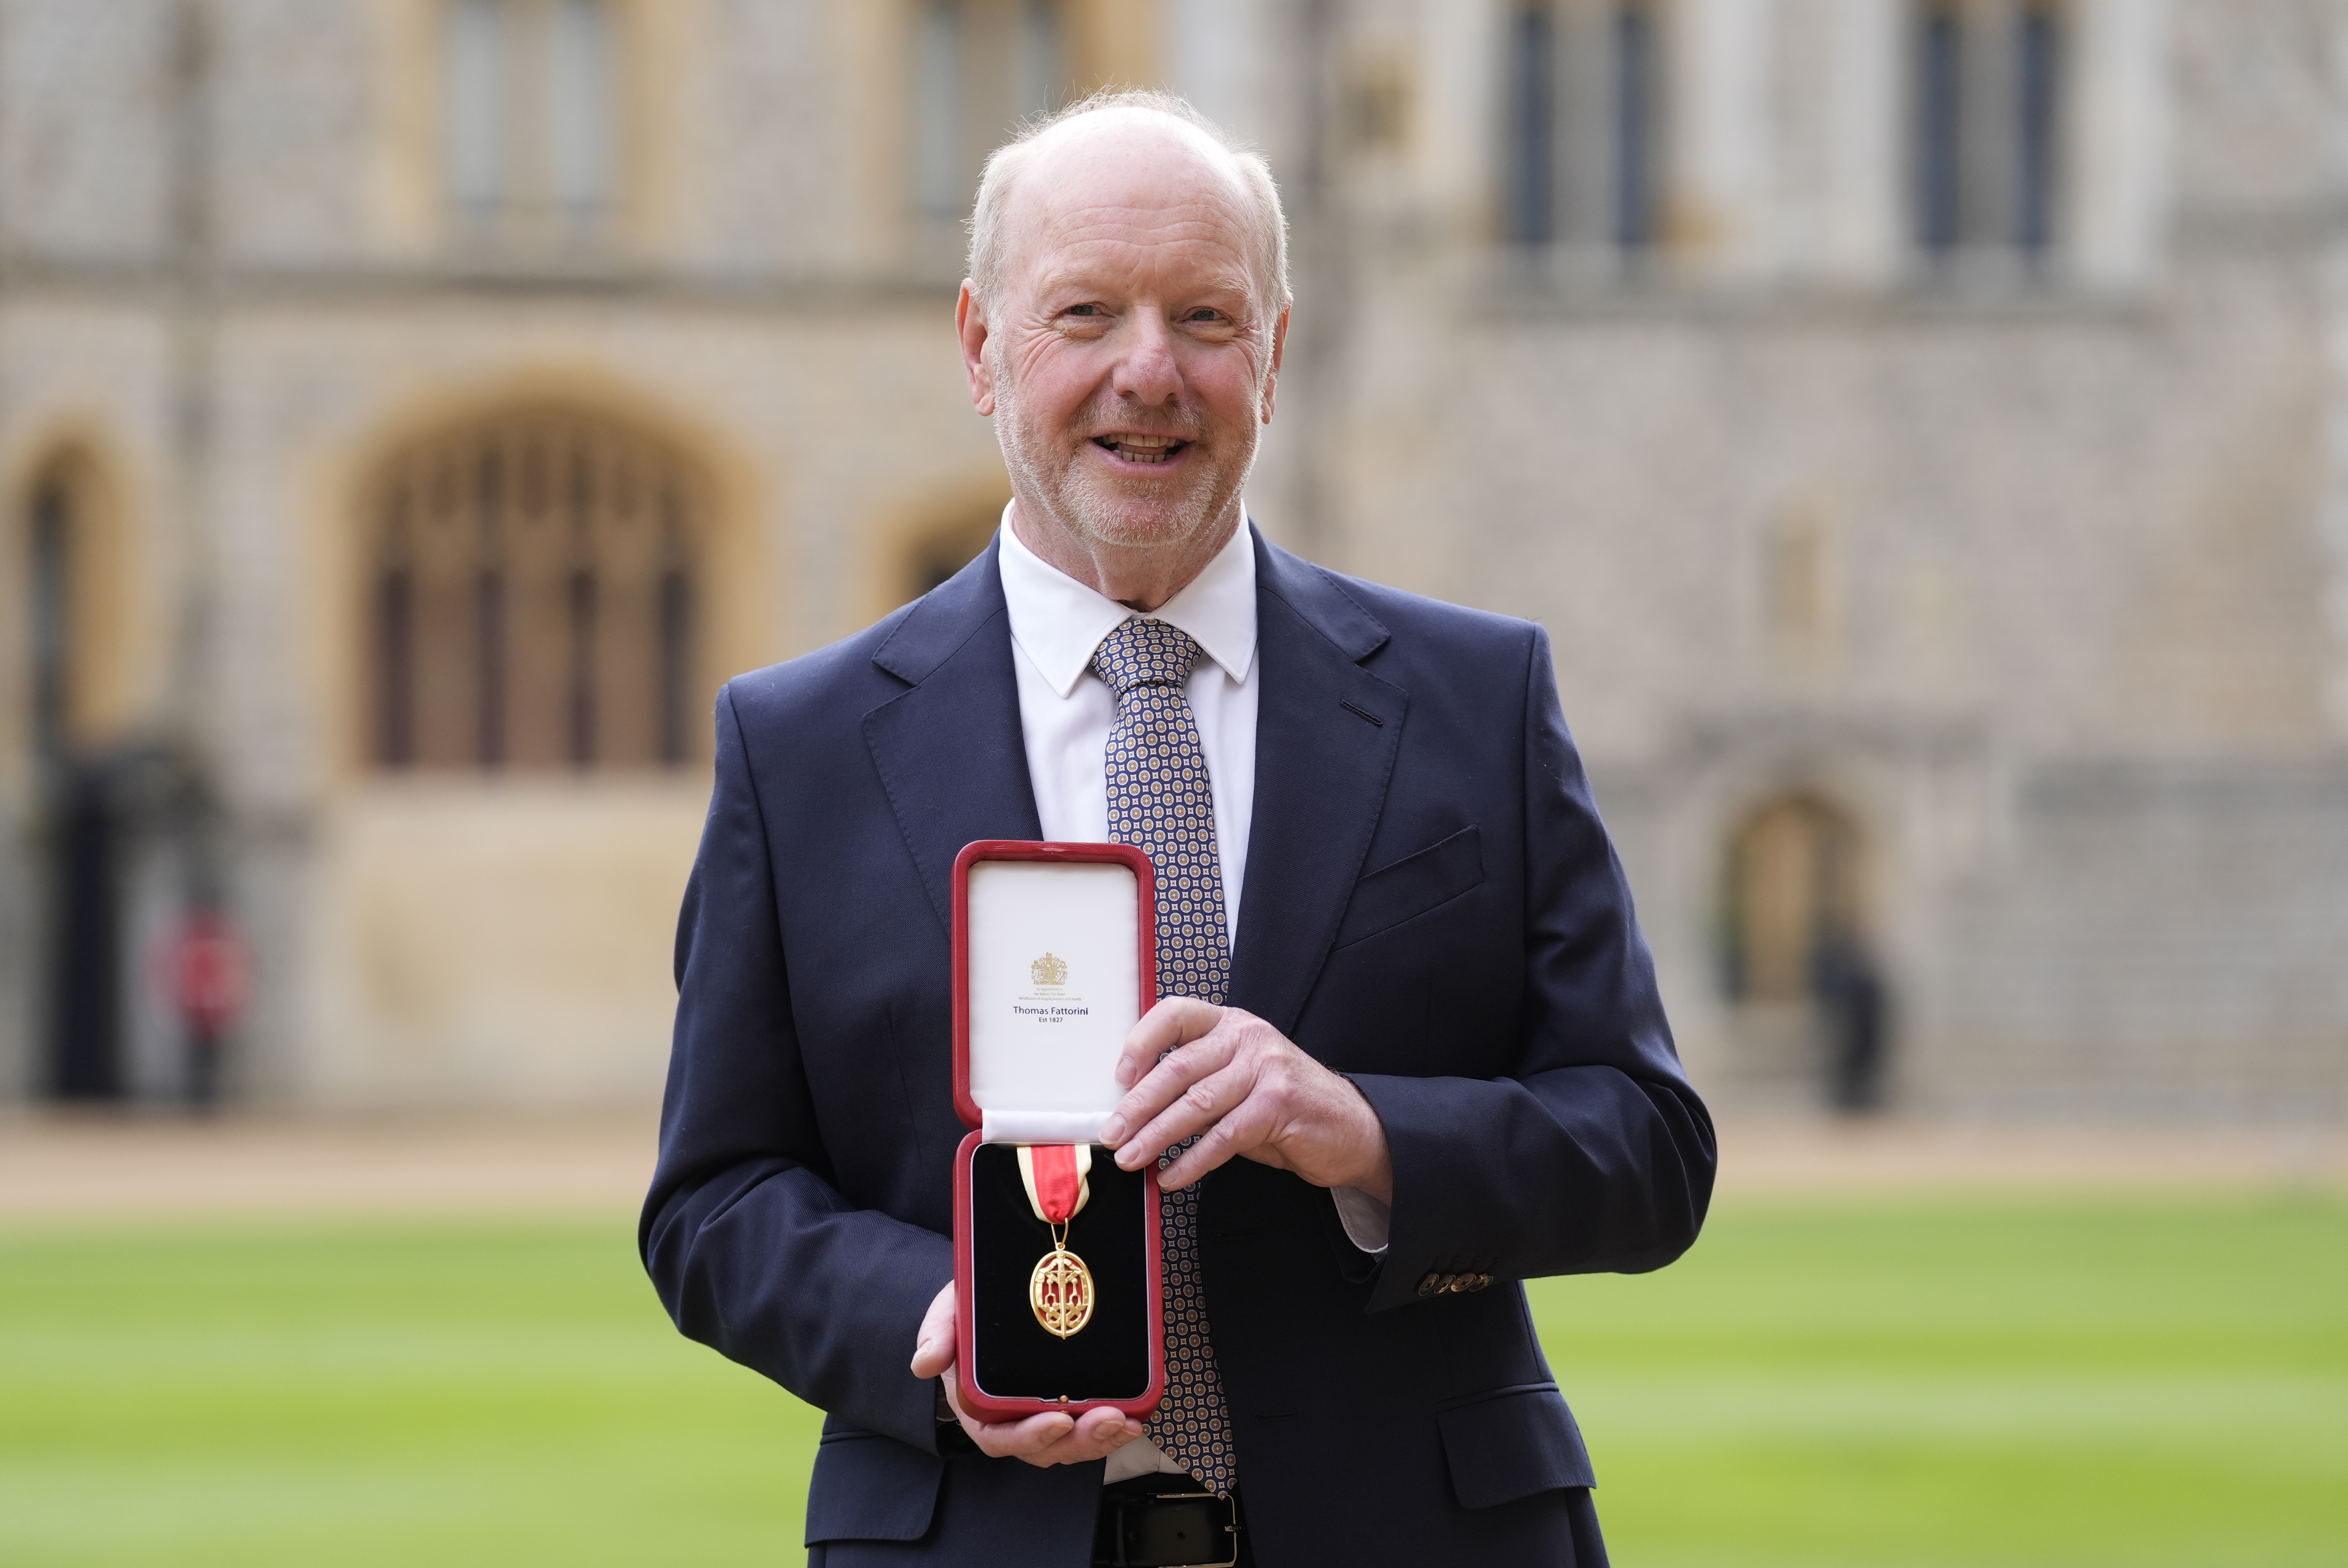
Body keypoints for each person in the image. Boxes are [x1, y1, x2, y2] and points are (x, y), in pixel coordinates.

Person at [641, 89, 1714, 1567]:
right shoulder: (800, 748)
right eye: (1084, 312)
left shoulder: (1476, 697)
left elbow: (1648, 1144)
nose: (1150, 371)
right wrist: (932, 1322)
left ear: (1273, 357)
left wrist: (1364, 1135)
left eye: (1206, 318)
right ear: (980, 347)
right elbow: (715, 1201)